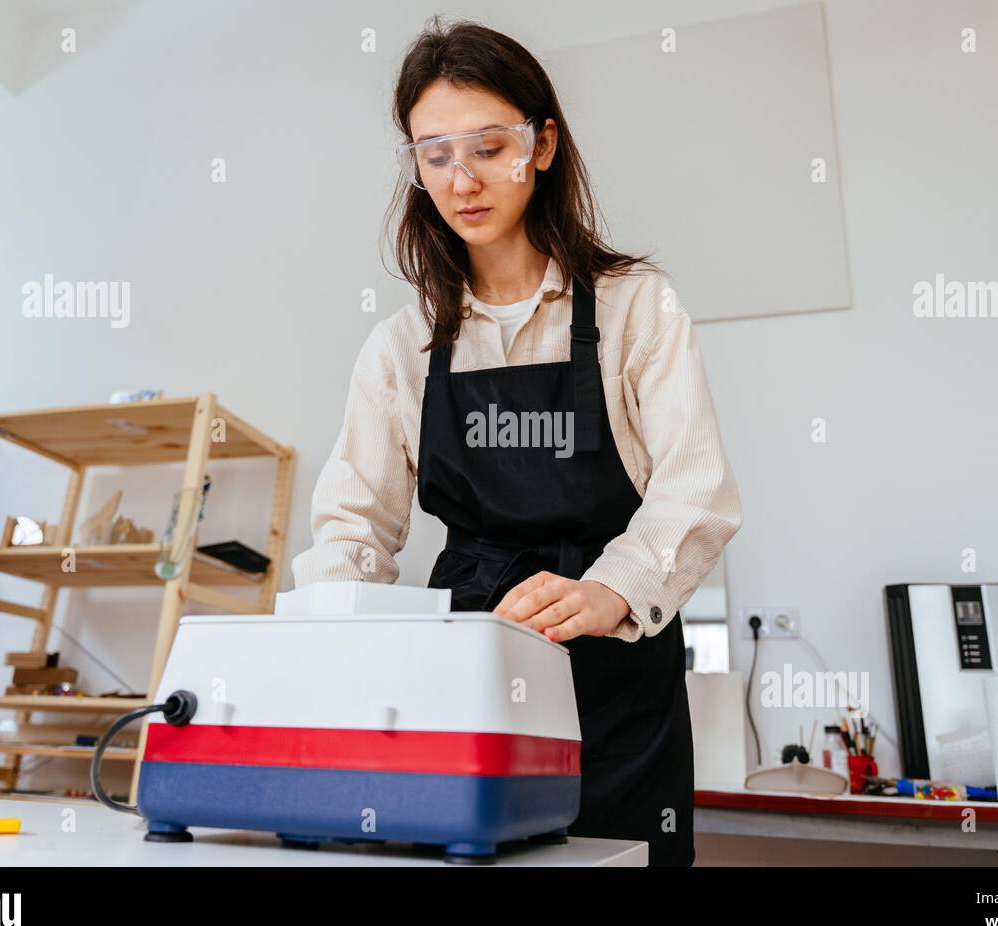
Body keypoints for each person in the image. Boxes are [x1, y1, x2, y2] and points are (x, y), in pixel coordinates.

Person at [292, 18, 741, 866]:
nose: (462, 179)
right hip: (470, 674)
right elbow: (352, 527)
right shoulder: (403, 344)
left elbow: (696, 491)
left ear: (541, 145)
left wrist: (615, 587)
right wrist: (331, 641)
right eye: (435, 155)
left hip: (617, 677)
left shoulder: (636, 306)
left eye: (489, 146)